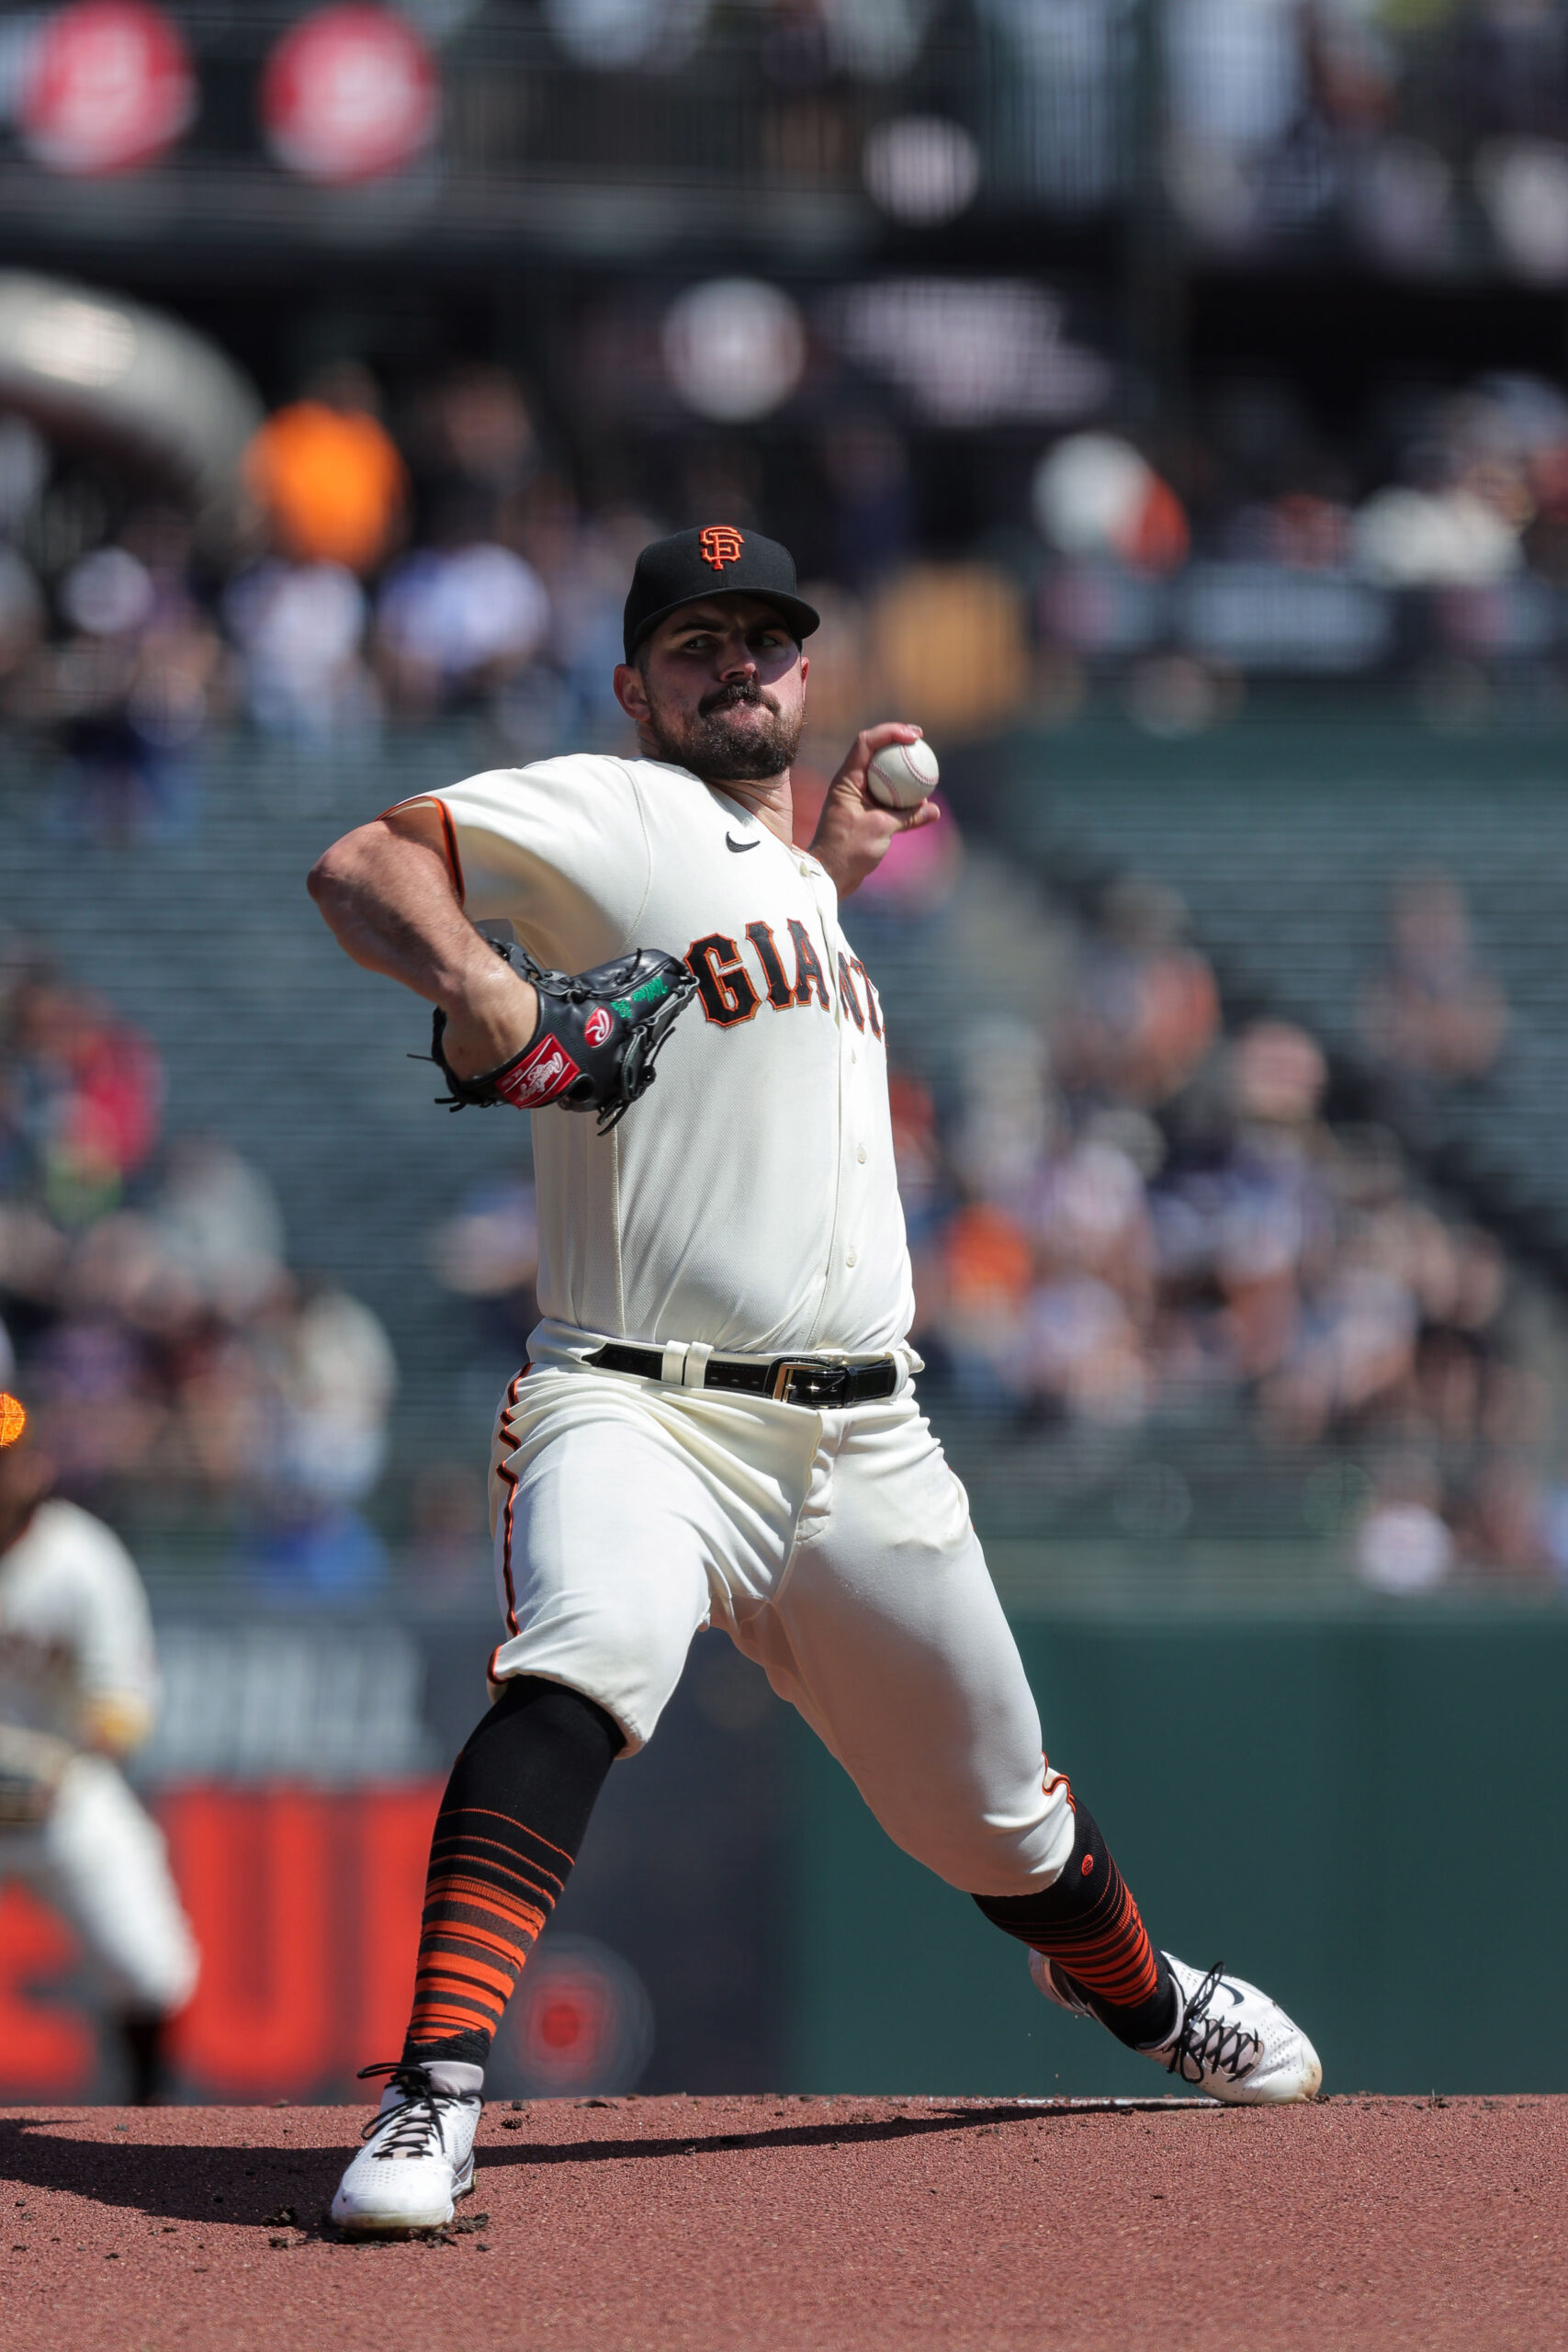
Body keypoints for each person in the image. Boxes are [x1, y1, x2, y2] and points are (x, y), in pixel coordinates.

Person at [308, 526, 1320, 2234]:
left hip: (863, 1438)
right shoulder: (614, 806)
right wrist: (482, 979)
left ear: (804, 676)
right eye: (694, 643)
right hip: (635, 1399)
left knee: (1000, 1819)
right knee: (584, 1662)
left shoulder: (785, 886)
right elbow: (360, 867)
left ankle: (1143, 2002)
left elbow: (737, 972)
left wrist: (828, 866)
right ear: (636, 688)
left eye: (764, 640)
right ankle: (435, 2093)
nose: (736, 666)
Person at [0, 1391, 198, 2101]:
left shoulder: (80, 1557)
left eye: (8, 1459)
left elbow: (125, 1704)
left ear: (35, 1465)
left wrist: (57, 1761)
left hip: (62, 1789)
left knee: (150, 1968)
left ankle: (146, 2120)